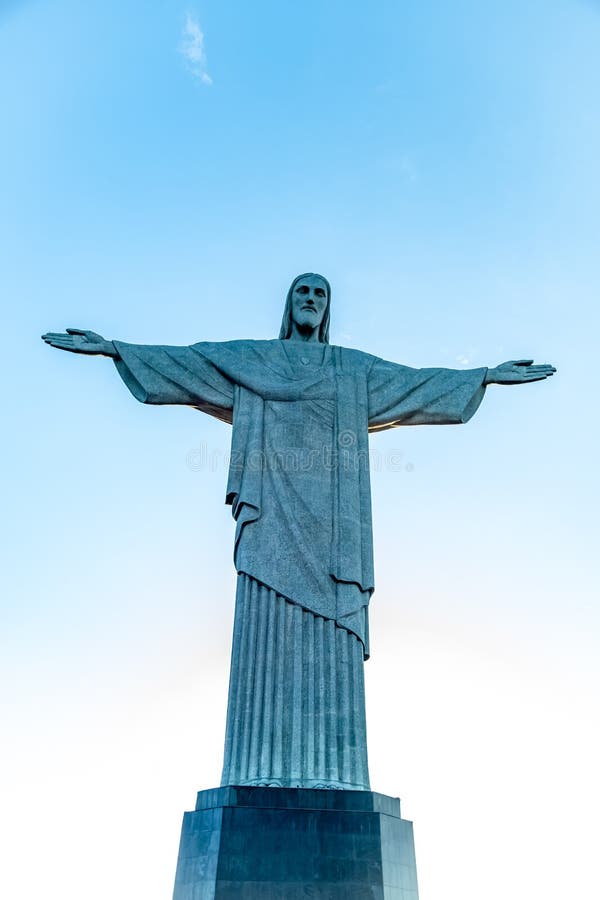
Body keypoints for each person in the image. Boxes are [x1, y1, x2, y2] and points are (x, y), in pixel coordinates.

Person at [42, 273, 556, 790]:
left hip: (335, 531)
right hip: (270, 519)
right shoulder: (254, 360)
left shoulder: (351, 371)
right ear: (289, 304)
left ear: (327, 308)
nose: (310, 299)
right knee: (266, 631)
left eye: (320, 293)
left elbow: (414, 383)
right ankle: (255, 770)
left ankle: (338, 777)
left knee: (332, 636)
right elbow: (191, 361)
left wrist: (485, 377)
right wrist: (113, 349)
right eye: (302, 291)